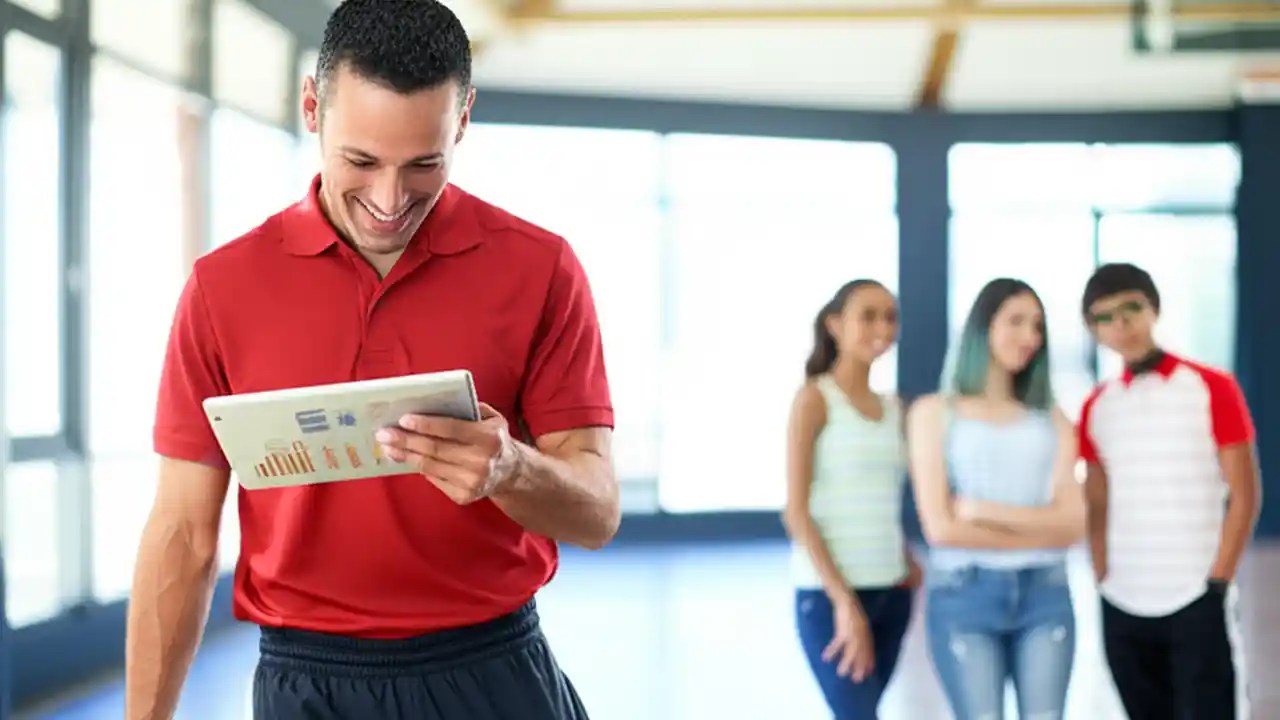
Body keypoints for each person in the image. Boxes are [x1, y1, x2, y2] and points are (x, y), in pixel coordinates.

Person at [123, 2, 618, 718]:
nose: (390, 200)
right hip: (307, 683)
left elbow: (597, 511)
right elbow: (182, 533)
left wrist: (513, 469)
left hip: (490, 670)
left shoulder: (541, 268)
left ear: (464, 119)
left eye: (424, 164)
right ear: (311, 108)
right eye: (361, 160)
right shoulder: (221, 289)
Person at [1078, 263, 1258, 720]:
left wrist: (1219, 579)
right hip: (1122, 599)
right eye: (1105, 316)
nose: (1121, 325)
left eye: (1131, 309)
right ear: (1092, 329)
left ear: (1153, 309)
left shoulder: (1212, 387)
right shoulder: (1097, 406)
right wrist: (1101, 573)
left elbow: (1244, 492)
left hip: (1195, 594)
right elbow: (1096, 499)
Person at [906, 278, 1085, 720]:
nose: (1030, 337)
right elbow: (942, 528)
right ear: (983, 328)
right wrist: (1042, 527)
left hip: (1046, 595)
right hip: (964, 597)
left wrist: (981, 512)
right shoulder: (932, 414)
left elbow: (1075, 524)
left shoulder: (1053, 419)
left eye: (1038, 326)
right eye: (1017, 322)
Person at [783, 279, 920, 719]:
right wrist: (844, 603)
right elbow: (796, 513)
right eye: (868, 315)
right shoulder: (814, 400)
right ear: (835, 324)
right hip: (830, 597)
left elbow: (880, 497)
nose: (882, 326)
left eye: (890, 316)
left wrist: (905, 557)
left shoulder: (895, 408)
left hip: (893, 589)